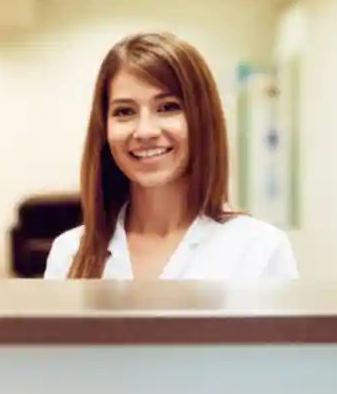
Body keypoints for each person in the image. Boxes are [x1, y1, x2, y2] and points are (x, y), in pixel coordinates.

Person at [44, 32, 298, 281]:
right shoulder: (69, 254)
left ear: (202, 120)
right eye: (124, 111)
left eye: (167, 107)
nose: (145, 131)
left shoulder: (259, 250)